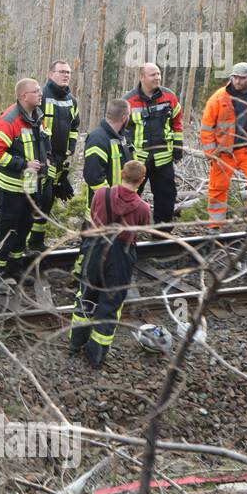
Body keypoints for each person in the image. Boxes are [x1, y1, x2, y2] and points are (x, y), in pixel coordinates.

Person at [69, 160, 151, 368]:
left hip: (96, 249)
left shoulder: (101, 194)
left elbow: (93, 218)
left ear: (121, 173)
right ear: (141, 181)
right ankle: (96, 356)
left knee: (86, 297)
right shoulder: (142, 207)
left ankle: (75, 343)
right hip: (121, 255)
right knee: (110, 305)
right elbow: (145, 229)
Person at [0, 78, 50, 280]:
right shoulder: (10, 120)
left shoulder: (38, 116)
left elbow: (43, 143)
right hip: (12, 188)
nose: (41, 94)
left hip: (32, 185)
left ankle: (15, 268)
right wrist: (24, 164)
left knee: (24, 228)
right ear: (24, 96)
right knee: (6, 229)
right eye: (36, 91)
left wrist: (46, 161)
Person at [200, 61, 247, 228]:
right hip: (223, 152)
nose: (237, 82)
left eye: (241, 78)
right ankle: (215, 227)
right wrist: (211, 153)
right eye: (234, 78)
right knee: (218, 188)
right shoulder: (219, 97)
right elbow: (206, 127)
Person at [124, 62, 184, 229]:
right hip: (137, 160)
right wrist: (126, 153)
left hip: (163, 159)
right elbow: (121, 129)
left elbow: (177, 122)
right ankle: (128, 232)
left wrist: (178, 146)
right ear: (142, 77)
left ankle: (162, 233)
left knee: (167, 196)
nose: (157, 77)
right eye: (153, 74)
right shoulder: (128, 100)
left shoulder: (169, 96)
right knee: (130, 195)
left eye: (158, 74)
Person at [27, 61, 79, 251]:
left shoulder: (72, 100)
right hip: (39, 160)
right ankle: (25, 241)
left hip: (59, 161)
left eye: (69, 72)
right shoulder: (41, 96)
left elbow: (74, 126)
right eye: (62, 71)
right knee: (35, 199)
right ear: (50, 73)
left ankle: (36, 241)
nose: (66, 75)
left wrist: (71, 147)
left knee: (47, 201)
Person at [82, 99, 131, 215]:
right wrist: (111, 200)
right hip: (101, 212)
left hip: (119, 208)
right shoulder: (98, 139)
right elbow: (94, 177)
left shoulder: (122, 137)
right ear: (124, 118)